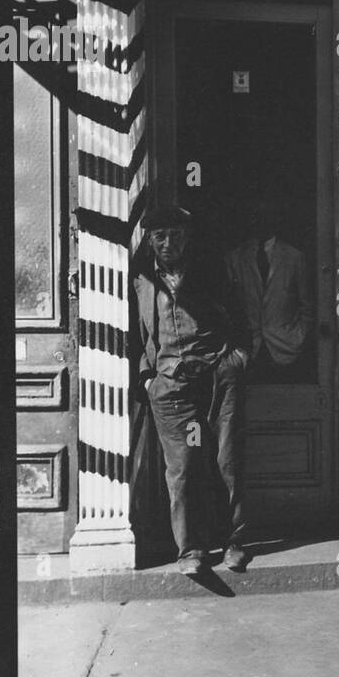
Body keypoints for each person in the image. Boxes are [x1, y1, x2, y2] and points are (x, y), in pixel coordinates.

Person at [135, 205, 251, 576]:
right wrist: (147, 378)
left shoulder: (212, 271)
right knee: (184, 467)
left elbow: (240, 315)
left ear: (187, 237)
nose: (168, 243)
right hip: (172, 386)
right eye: (159, 236)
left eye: (175, 235)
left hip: (218, 377)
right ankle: (191, 550)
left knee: (226, 459)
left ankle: (234, 542)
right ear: (149, 239)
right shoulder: (140, 280)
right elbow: (131, 335)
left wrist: (238, 359)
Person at [225, 200, 314, 383]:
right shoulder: (234, 258)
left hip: (286, 349)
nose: (261, 221)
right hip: (249, 351)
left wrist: (299, 336)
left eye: (267, 215)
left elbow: (307, 305)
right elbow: (230, 306)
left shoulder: (294, 257)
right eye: (256, 216)